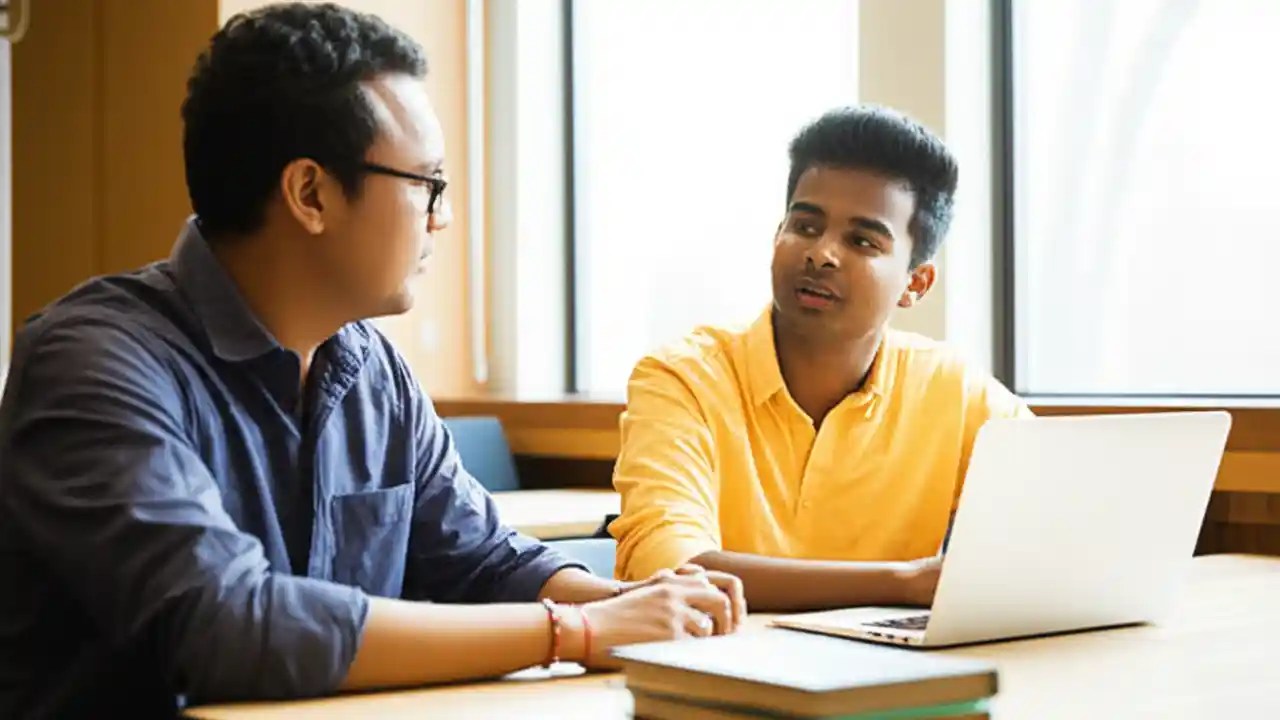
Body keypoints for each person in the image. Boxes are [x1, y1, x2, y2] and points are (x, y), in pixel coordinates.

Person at [0, 4, 744, 717]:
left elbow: (483, 562)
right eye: (428, 184)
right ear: (310, 193)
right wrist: (572, 634)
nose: (441, 217)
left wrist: (627, 605)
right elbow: (222, 623)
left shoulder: (371, 369)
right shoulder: (92, 361)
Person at [609, 105, 1031, 611]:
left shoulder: (959, 394)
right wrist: (903, 584)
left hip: (887, 678)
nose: (821, 254)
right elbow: (675, 573)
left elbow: (1057, 532)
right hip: (713, 669)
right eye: (805, 227)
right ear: (777, 235)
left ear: (915, 284)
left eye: (861, 241)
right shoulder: (682, 378)